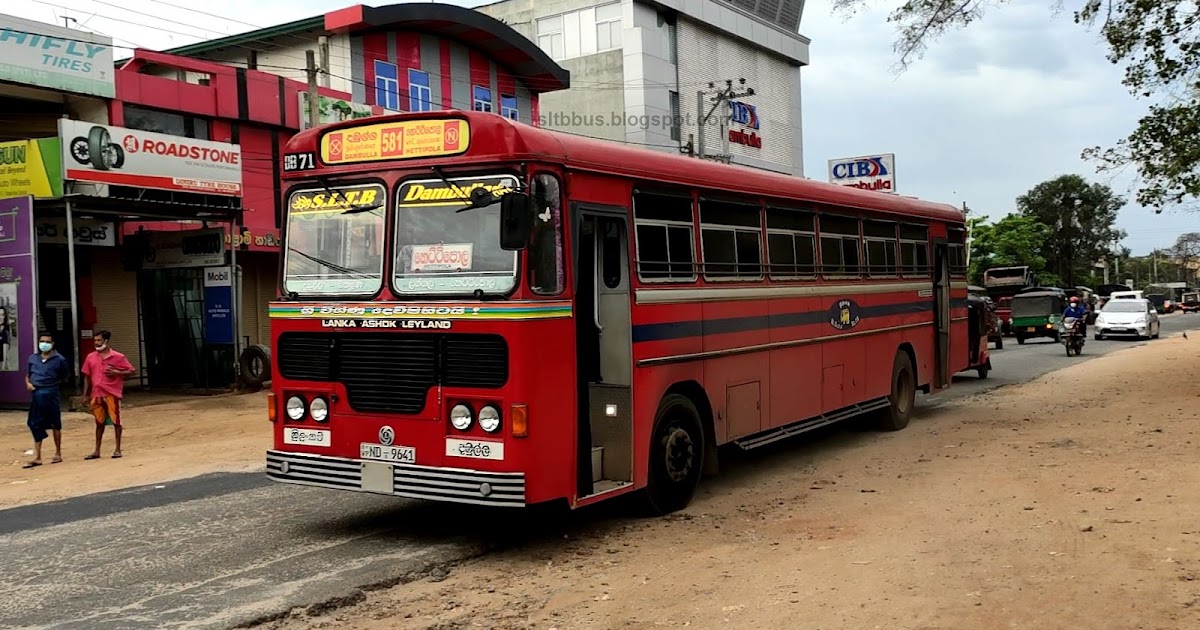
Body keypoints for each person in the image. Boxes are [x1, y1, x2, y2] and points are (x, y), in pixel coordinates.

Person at [80, 330, 135, 459]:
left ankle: (117, 449)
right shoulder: (91, 357)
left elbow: (131, 371)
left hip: (112, 393)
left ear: (106, 341)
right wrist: (85, 395)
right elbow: (87, 377)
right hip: (96, 394)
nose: (96, 343)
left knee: (116, 421)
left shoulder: (118, 357)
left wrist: (117, 373)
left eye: (99, 340)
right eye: (95, 340)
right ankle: (97, 451)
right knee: (99, 423)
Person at [24, 332, 70, 468]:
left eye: (47, 342)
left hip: (51, 393)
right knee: (34, 423)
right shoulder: (32, 358)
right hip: (36, 393)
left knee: (55, 424)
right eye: (42, 341)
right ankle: (37, 456)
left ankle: (58, 453)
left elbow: (65, 377)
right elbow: (28, 375)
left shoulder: (60, 360)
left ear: (52, 344)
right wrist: (28, 383)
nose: (44, 344)